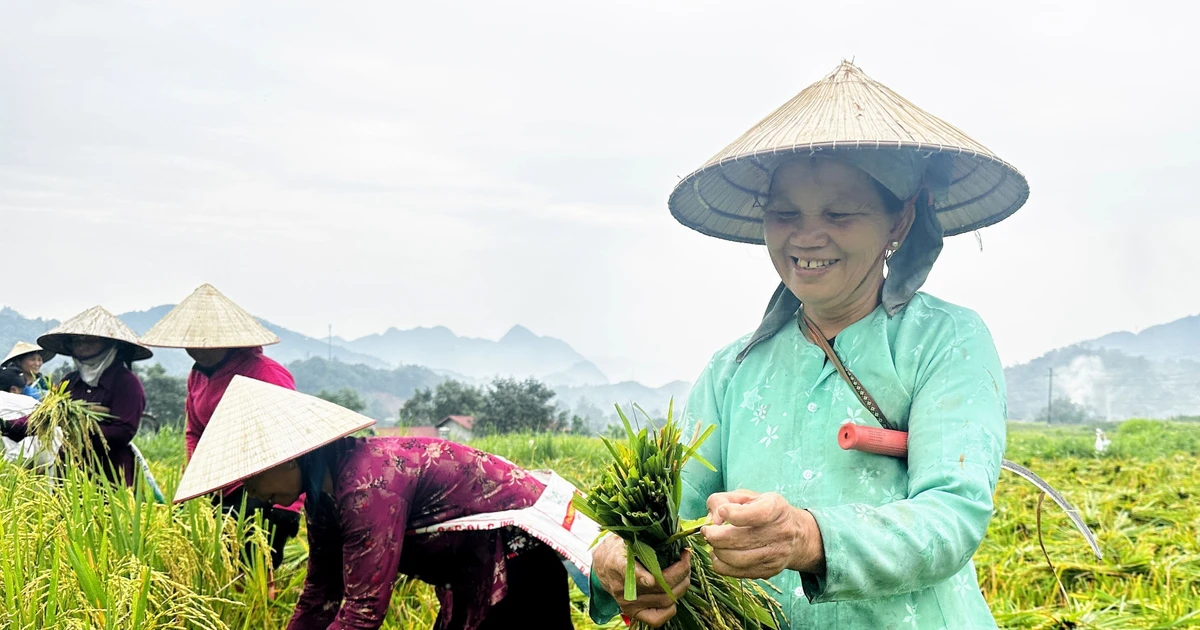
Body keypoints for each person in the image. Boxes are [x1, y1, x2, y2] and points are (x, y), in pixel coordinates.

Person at [590, 61, 1028, 629]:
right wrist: (621, 552)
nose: (806, 236)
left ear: (900, 219)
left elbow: (952, 516)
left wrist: (809, 537)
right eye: (785, 213)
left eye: (840, 213)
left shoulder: (946, 341)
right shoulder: (733, 371)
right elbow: (669, 512)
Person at [173, 376, 590, 630]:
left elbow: (363, 610)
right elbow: (321, 591)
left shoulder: (367, 487)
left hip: (516, 562)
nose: (253, 493)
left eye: (253, 478)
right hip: (469, 571)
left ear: (291, 458)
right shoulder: (324, 499)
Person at [141, 283, 302, 568]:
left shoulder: (264, 373)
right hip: (220, 487)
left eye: (206, 342)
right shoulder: (198, 375)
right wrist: (197, 480)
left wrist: (289, 505)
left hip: (264, 487)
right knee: (221, 565)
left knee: (254, 569)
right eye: (191, 342)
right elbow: (195, 431)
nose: (196, 350)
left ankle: (259, 611)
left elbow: (291, 436)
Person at [1, 306, 152, 486]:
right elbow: (45, 416)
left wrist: (77, 427)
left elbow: (123, 432)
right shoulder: (71, 381)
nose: (82, 345)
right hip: (68, 472)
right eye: (77, 340)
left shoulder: (126, 383)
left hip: (108, 475)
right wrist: (9, 426)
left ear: (109, 344)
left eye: (90, 340)